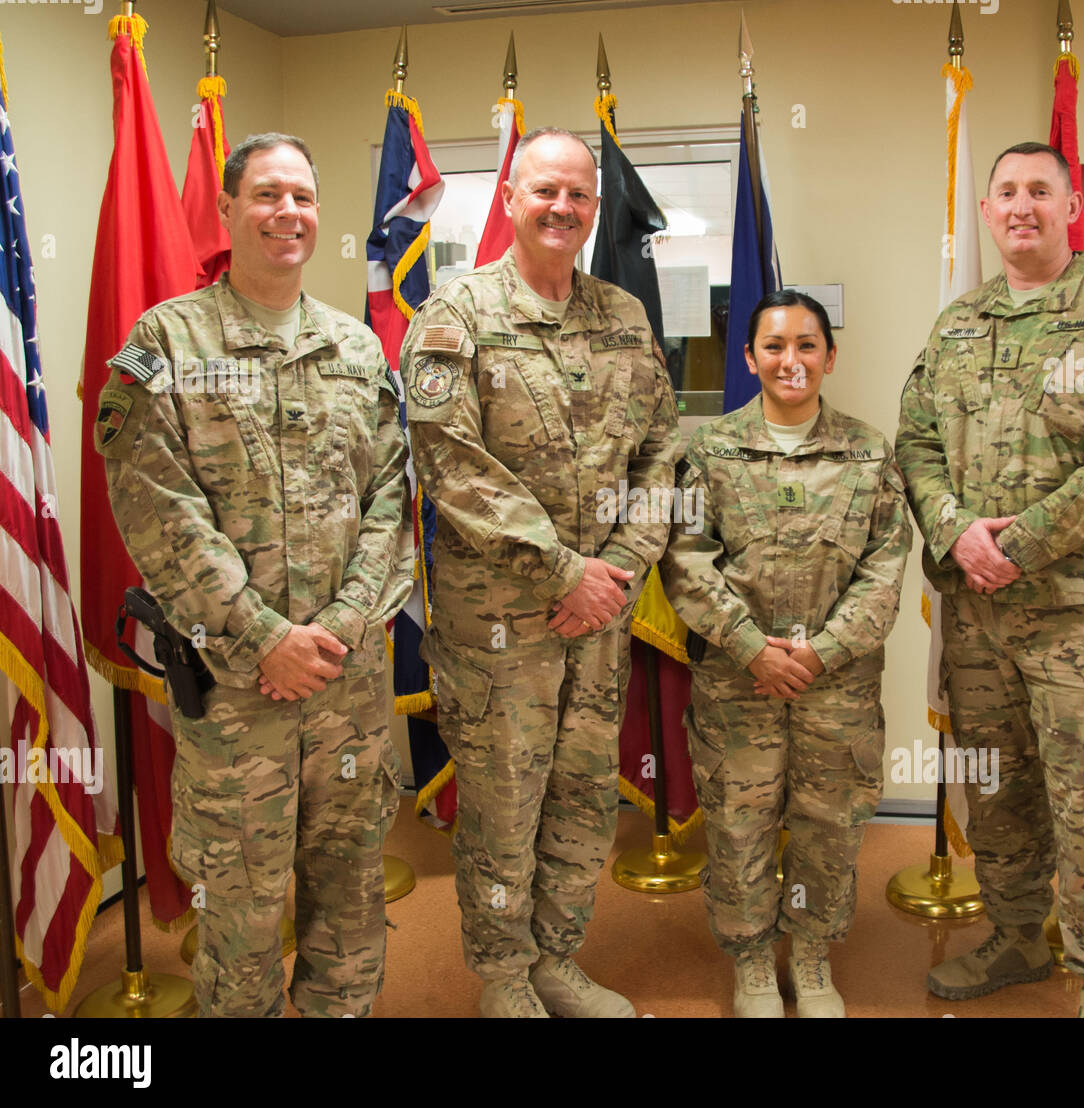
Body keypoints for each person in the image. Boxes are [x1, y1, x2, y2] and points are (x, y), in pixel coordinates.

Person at [94, 133, 413, 1017]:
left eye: (304, 197)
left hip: (346, 686)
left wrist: (343, 625)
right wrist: (263, 637)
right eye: (268, 195)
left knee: (350, 907)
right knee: (239, 923)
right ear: (227, 210)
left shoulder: (356, 347)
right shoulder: (163, 342)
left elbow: (392, 495)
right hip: (240, 700)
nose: (289, 214)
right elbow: (157, 504)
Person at [895, 142, 1084, 1018]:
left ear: (1071, 207)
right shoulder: (957, 325)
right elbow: (914, 441)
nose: (1021, 205)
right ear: (986, 213)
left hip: (1082, 620)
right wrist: (955, 532)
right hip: (977, 613)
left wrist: (1018, 545)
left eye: (1040, 190)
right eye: (1006, 192)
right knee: (996, 791)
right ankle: (1018, 935)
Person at [399, 128, 681, 1018]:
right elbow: (451, 463)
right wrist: (566, 572)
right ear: (512, 199)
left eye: (579, 196)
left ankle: (558, 959)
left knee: (582, 797)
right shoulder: (457, 317)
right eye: (545, 191)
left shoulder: (625, 318)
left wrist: (625, 566)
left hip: (600, 616)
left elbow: (664, 454)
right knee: (503, 804)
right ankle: (504, 977)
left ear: (595, 209)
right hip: (501, 625)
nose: (563, 208)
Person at [661, 290, 912, 1017]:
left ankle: (809, 953)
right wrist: (750, 648)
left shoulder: (868, 451)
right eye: (774, 346)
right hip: (740, 684)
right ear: (749, 358)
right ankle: (750, 961)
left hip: (837, 687)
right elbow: (685, 560)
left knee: (830, 823)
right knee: (740, 823)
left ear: (831, 357)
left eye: (807, 345)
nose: (791, 360)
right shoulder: (708, 451)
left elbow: (887, 565)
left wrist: (823, 652)